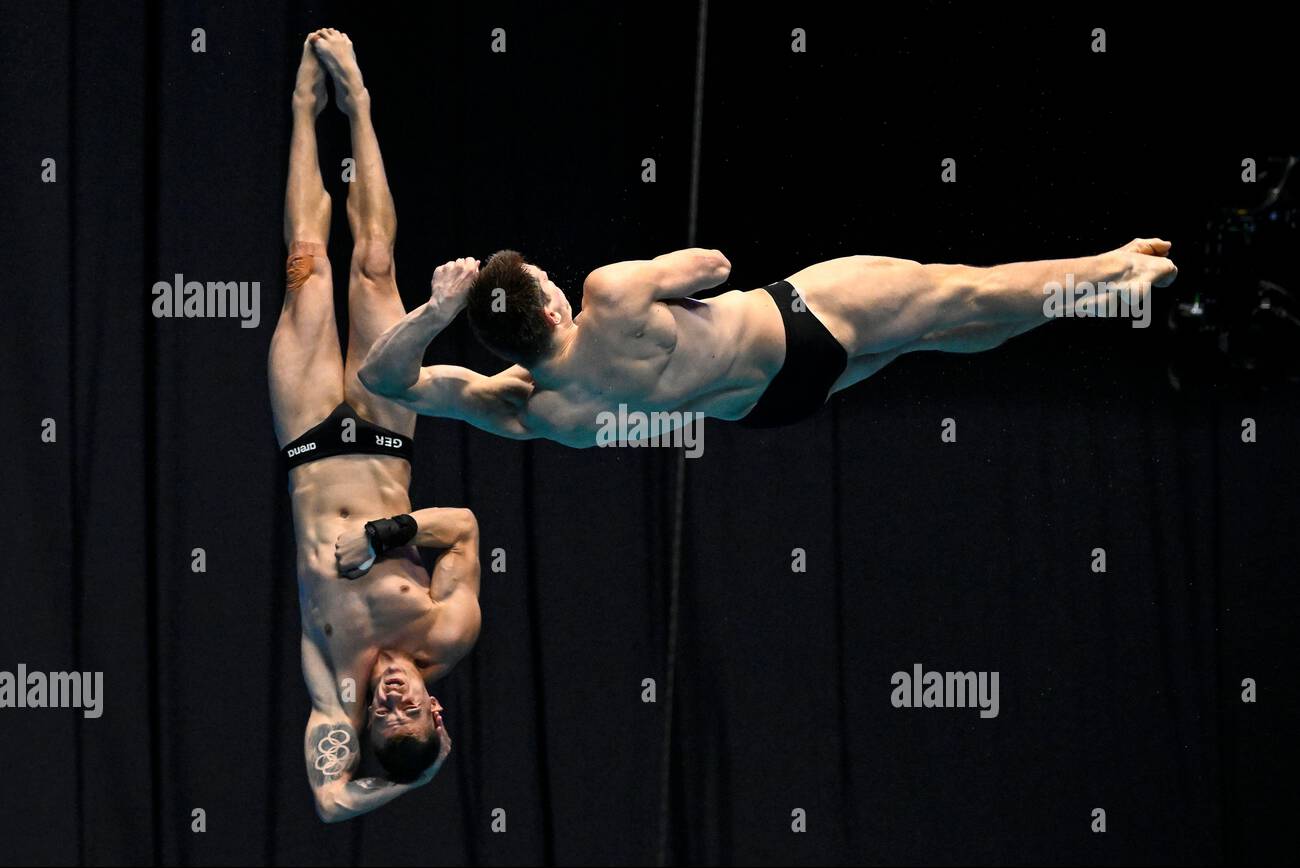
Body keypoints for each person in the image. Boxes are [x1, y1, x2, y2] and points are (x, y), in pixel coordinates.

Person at [270, 30, 481, 821]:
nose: (392, 698)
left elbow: (329, 803)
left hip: (309, 439)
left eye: (383, 716)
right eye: (412, 711)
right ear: (438, 713)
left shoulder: (334, 681)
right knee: (375, 264)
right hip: (388, 437)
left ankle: (301, 110)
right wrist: (387, 537)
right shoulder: (449, 631)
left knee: (306, 265)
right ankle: (357, 107)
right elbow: (461, 528)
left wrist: (415, 776)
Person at [357, 241, 1177, 444]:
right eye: (543, 275)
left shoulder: (542, 411)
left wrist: (438, 313)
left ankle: (1092, 301)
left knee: (943, 339)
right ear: (548, 300)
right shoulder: (608, 294)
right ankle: (1112, 266)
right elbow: (715, 263)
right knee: (960, 290)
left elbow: (387, 381)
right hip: (799, 320)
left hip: (775, 405)